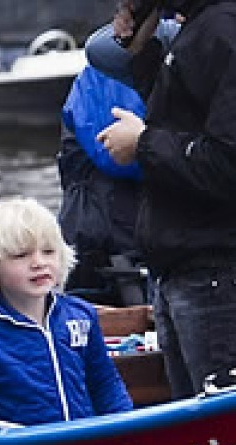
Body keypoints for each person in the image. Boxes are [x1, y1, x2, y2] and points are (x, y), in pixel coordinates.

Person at [91, 0, 236, 398]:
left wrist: (143, 144)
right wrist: (143, 53)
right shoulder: (204, 26)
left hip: (219, 272)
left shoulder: (227, 29)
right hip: (186, 269)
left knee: (233, 440)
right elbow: (189, 119)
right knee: (204, 441)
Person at [0, 198, 133, 439]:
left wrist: (126, 430)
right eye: (21, 255)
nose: (39, 263)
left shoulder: (82, 316)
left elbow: (106, 385)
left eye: (49, 252)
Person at [56, 65, 147, 306]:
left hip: (94, 231)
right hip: (114, 237)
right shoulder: (108, 76)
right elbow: (116, 158)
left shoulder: (90, 79)